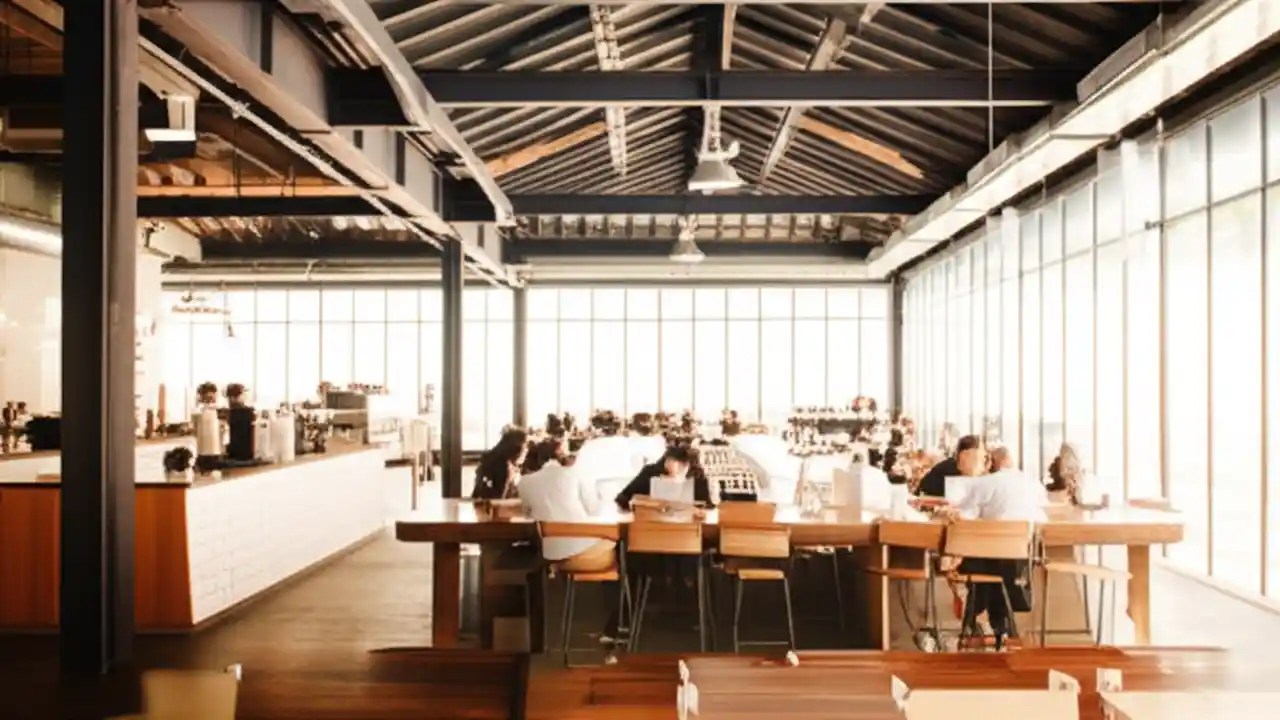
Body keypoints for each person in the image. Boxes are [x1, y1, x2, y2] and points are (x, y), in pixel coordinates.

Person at [947, 446, 1039, 647]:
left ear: (991, 463)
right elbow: (1041, 518)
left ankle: (980, 617)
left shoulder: (985, 483)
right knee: (994, 567)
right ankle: (1000, 627)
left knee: (983, 564)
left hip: (991, 558)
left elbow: (964, 515)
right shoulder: (1032, 483)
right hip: (1021, 561)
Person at [614, 444, 715, 510]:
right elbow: (622, 497)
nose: (675, 470)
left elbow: (707, 506)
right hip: (649, 526)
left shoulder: (697, 478)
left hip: (687, 529)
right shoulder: (650, 473)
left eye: (682, 466)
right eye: (669, 463)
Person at [918, 434, 985, 498]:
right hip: (924, 500)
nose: (984, 455)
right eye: (981, 453)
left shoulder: (955, 466)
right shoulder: (951, 470)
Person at [471, 428, 529, 499]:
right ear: (517, 448)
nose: (526, 450)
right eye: (525, 446)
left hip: (478, 504)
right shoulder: (504, 466)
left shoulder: (489, 460)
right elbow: (500, 498)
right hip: (495, 507)